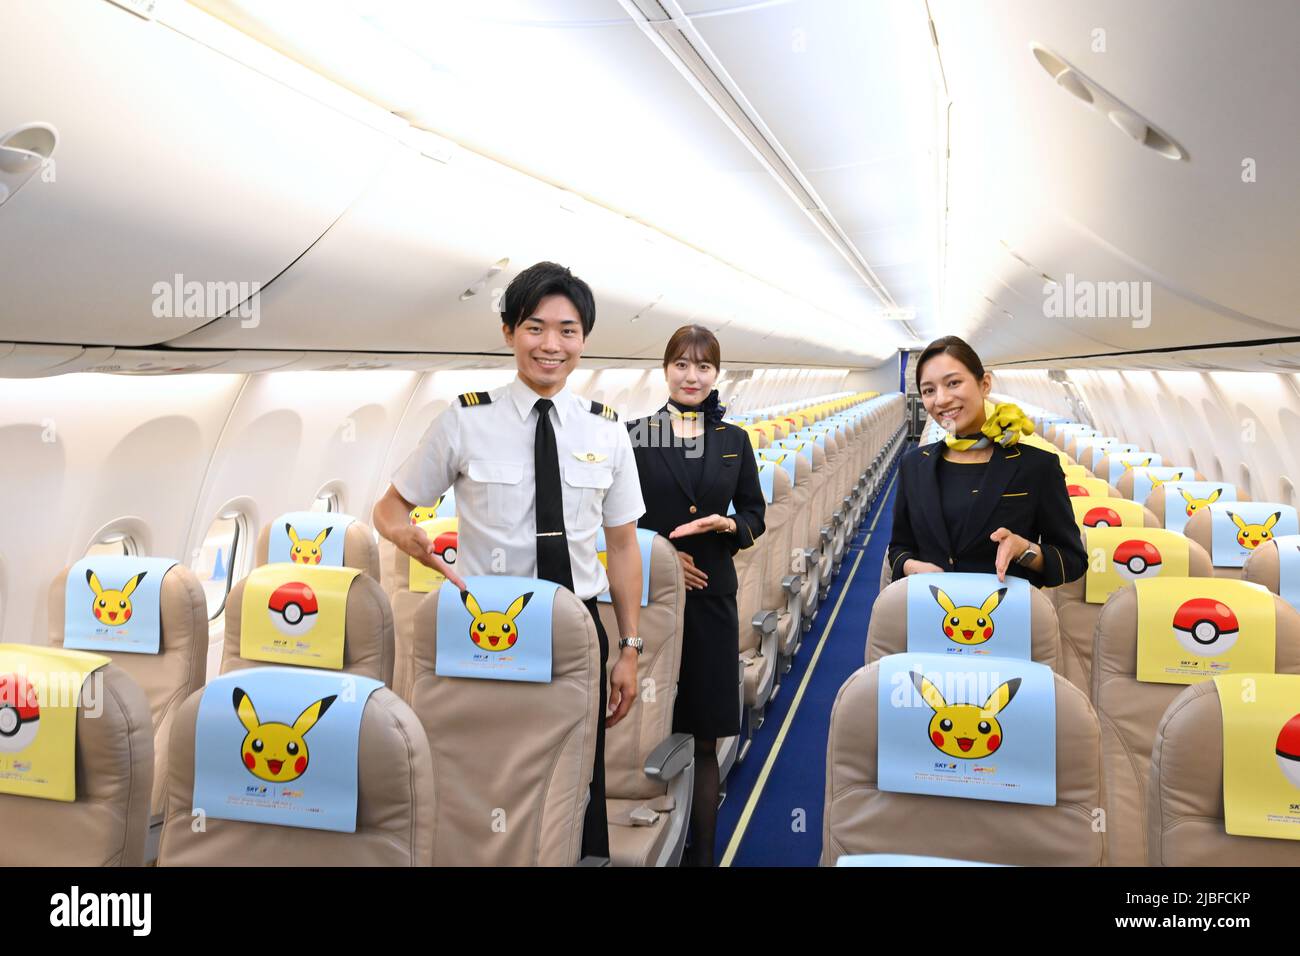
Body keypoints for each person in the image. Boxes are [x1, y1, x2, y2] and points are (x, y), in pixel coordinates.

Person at [372, 261, 645, 861]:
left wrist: (629, 648)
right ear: (508, 332)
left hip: (578, 630)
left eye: (567, 330)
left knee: (577, 781)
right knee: (482, 776)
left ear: (584, 340)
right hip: (486, 632)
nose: (551, 345)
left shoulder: (607, 431)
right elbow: (388, 510)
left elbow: (623, 546)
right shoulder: (464, 421)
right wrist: (409, 538)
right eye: (535, 328)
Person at [626, 325, 765, 866]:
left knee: (704, 736)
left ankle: (702, 855)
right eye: (681, 364)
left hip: (710, 601)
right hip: (648, 601)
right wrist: (658, 557)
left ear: (716, 375)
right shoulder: (636, 435)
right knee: (645, 729)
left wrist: (729, 527)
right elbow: (614, 521)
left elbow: (754, 512)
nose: (692, 375)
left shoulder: (734, 441)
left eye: (703, 366)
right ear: (665, 371)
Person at [887, 335, 1087, 587]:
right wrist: (910, 566)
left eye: (953, 383)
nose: (941, 399)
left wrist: (1025, 550)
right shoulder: (914, 465)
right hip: (930, 612)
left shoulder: (1037, 466)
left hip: (1001, 617)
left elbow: (1073, 560)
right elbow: (899, 547)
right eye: (929, 390)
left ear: (984, 384)